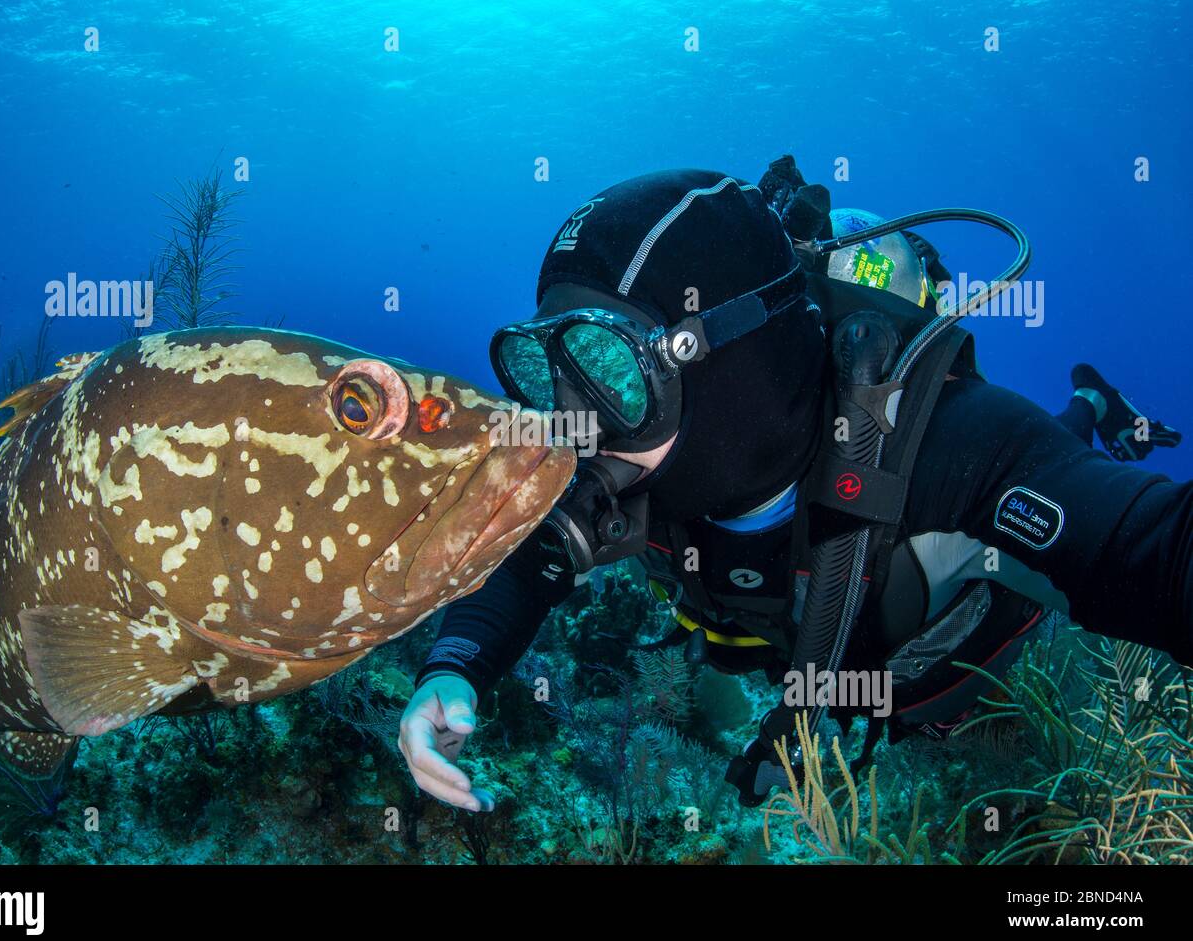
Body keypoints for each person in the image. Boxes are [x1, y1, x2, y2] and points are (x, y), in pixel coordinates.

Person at [398, 159, 1192, 812]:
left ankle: (1092, 403)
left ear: (725, 372)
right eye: (547, 372)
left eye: (610, 374)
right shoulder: (629, 461)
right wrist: (454, 666)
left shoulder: (960, 444)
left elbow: (1149, 547)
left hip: (962, 679)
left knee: (1069, 443)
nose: (577, 427)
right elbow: (533, 555)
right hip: (811, 663)